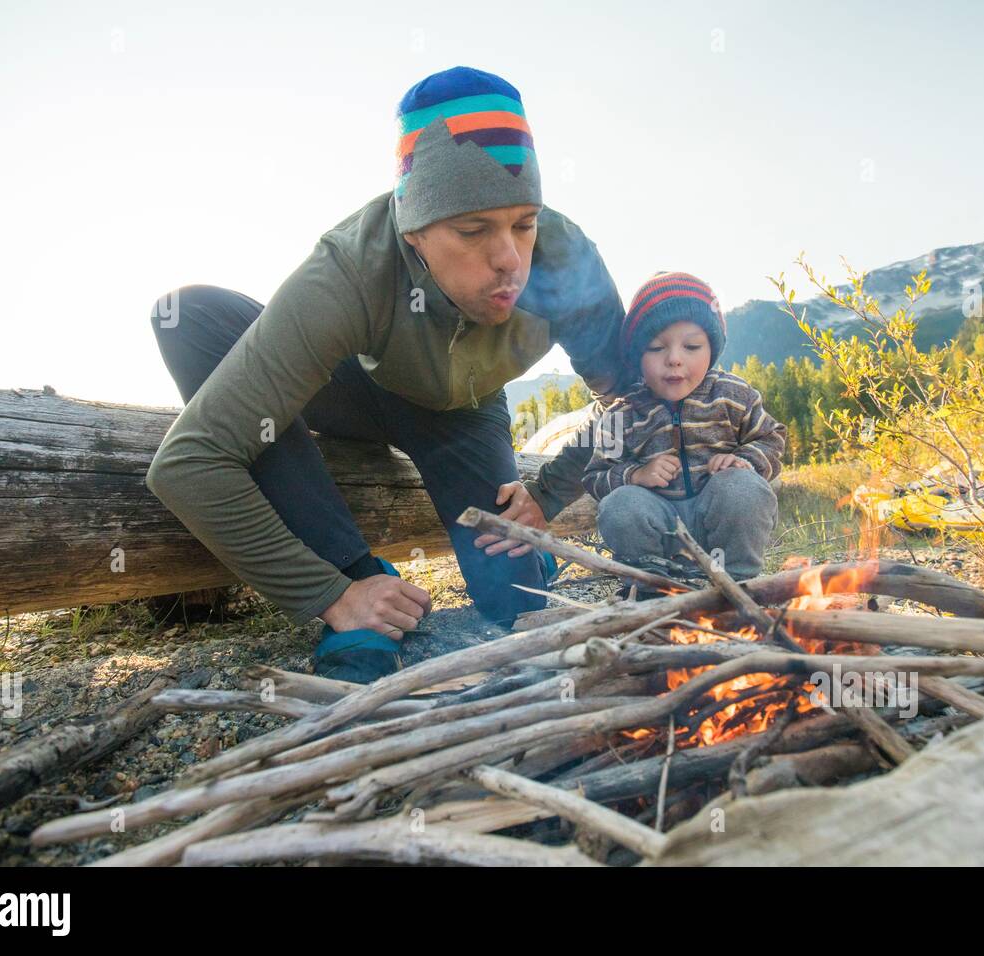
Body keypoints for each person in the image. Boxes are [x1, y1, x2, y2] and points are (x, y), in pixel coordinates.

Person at [146, 66, 627, 681]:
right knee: (190, 315)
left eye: (523, 223)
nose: (510, 260)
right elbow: (188, 465)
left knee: (516, 599)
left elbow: (632, 398)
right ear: (414, 228)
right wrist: (328, 593)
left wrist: (552, 491)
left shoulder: (566, 259)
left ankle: (530, 569)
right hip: (349, 388)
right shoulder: (350, 269)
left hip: (464, 415)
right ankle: (357, 575)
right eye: (472, 229)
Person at [582, 271, 786, 584]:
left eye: (691, 347)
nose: (675, 359)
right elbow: (596, 477)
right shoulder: (621, 414)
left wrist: (745, 461)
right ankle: (651, 586)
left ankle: (737, 584)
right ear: (637, 357)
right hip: (660, 530)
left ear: (712, 350)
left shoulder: (733, 395)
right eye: (656, 348)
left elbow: (771, 439)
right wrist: (636, 475)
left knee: (742, 489)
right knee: (620, 507)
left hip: (720, 526)